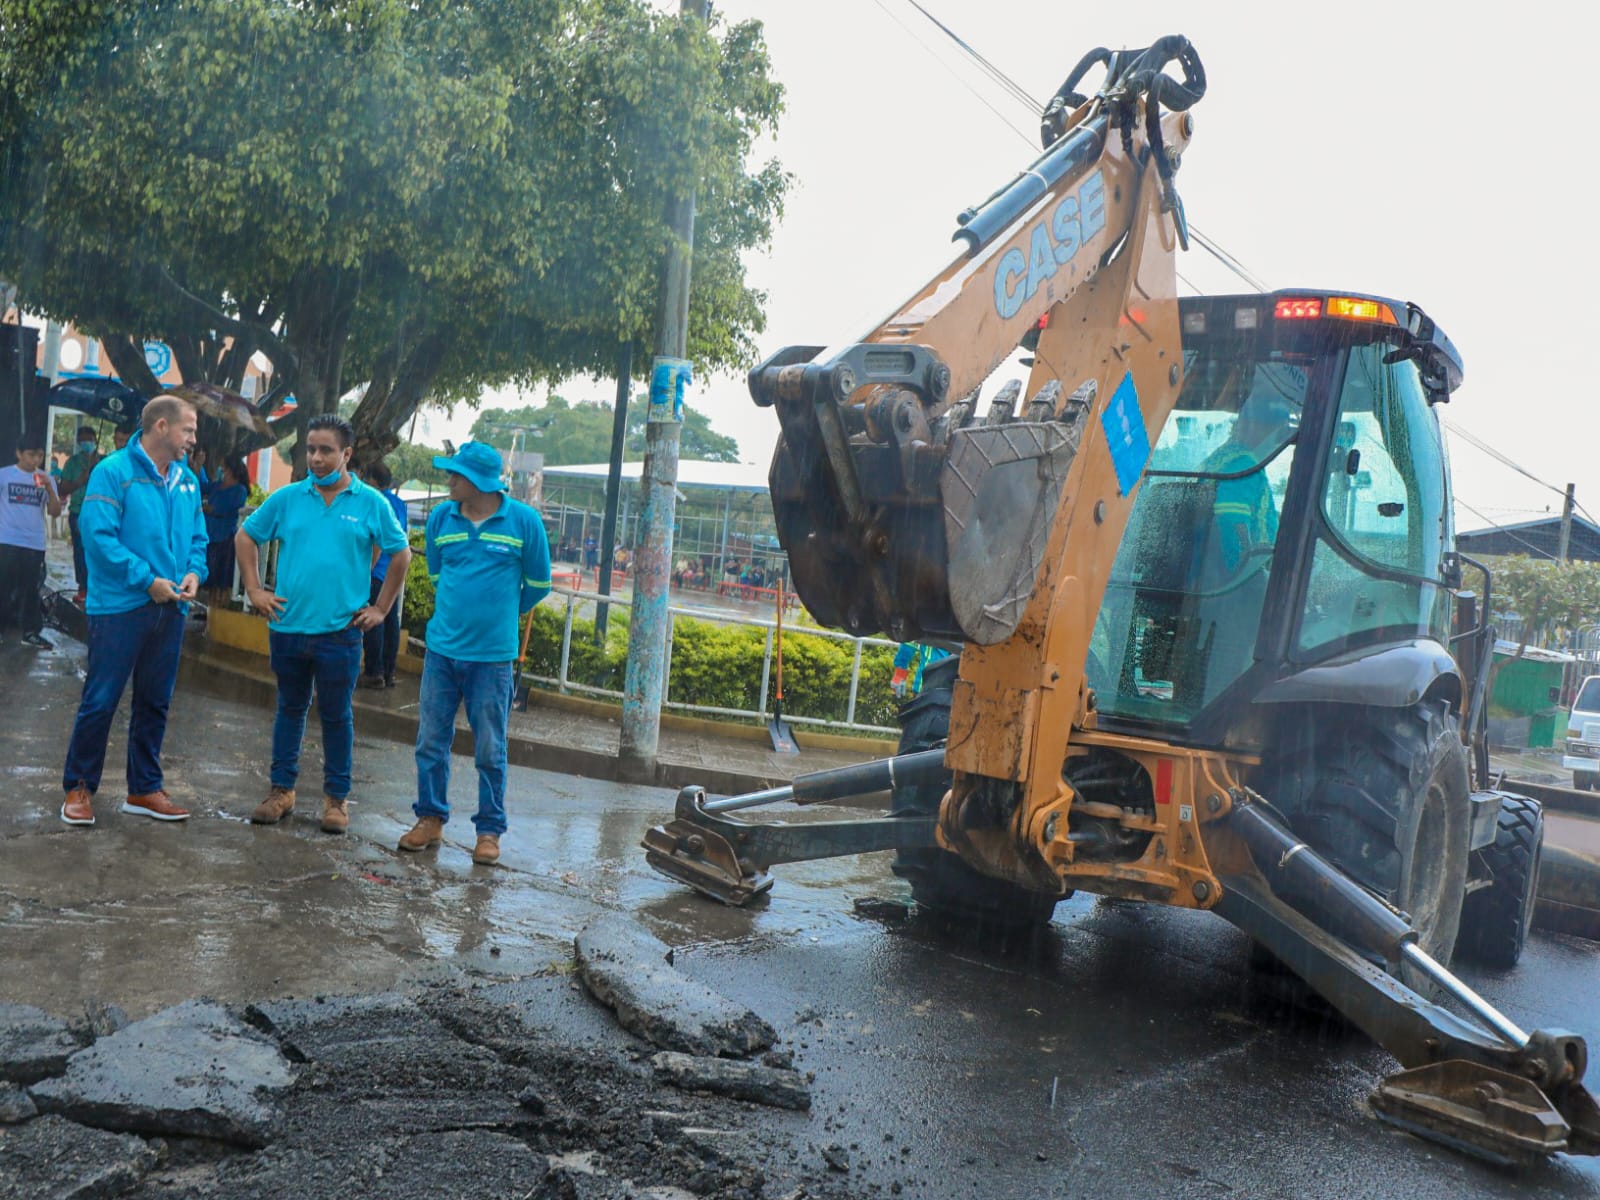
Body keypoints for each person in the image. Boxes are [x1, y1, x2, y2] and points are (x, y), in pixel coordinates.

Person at [236, 414, 410, 835]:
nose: (315, 457)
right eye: (310, 449)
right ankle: (282, 791)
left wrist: (381, 609)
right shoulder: (289, 498)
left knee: (336, 716)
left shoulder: (371, 503)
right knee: (289, 710)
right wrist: (256, 590)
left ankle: (335, 800)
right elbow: (246, 536)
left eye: (325, 450)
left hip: (341, 634)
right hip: (289, 627)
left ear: (346, 454)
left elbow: (399, 554)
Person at [399, 441, 551, 867]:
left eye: (456, 475)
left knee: (490, 747)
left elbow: (538, 585)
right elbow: (437, 573)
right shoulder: (441, 519)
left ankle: (489, 831)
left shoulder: (524, 522)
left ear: (480, 482)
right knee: (430, 740)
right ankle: (429, 819)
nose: (449, 481)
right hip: (442, 652)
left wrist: (501, 615)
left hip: (493, 659)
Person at [59, 397, 207, 826]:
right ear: (161, 426)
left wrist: (194, 571)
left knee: (155, 701)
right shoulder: (114, 472)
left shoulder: (187, 480)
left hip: (172, 608)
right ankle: (79, 787)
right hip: (121, 608)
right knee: (101, 699)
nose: (193, 439)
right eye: (188, 430)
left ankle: (143, 789)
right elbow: (97, 537)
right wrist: (147, 580)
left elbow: (198, 536)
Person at [0, 434, 63, 649]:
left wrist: (49, 489)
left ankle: (30, 632)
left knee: (30, 588)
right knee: (3, 585)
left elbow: (55, 512)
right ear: (19, 453)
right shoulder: (5, 475)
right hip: (7, 539)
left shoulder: (46, 478)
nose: (35, 460)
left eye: (39, 456)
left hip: (33, 542)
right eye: (30, 455)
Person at [356, 459, 410, 689]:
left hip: (378, 571)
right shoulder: (399, 503)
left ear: (372, 481)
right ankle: (388, 672)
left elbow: (378, 539)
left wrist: (367, 568)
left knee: (373, 620)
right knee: (390, 622)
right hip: (394, 571)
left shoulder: (377, 502)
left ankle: (373, 671)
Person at [54, 425, 100, 602]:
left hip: (99, 512)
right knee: (80, 550)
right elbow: (63, 488)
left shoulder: (104, 461)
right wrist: (80, 480)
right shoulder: (72, 463)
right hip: (78, 512)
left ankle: (97, 587)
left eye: (88, 440)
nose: (85, 443)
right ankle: (83, 587)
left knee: (98, 550)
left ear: (95, 441)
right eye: (82, 441)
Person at [201, 457, 249, 602]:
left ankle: (222, 607)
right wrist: (197, 465)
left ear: (232, 471)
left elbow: (223, 509)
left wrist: (207, 509)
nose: (222, 472)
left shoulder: (239, 490)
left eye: (225, 469)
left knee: (223, 579)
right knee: (212, 580)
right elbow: (201, 486)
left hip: (225, 539)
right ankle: (211, 611)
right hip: (211, 536)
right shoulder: (216, 486)